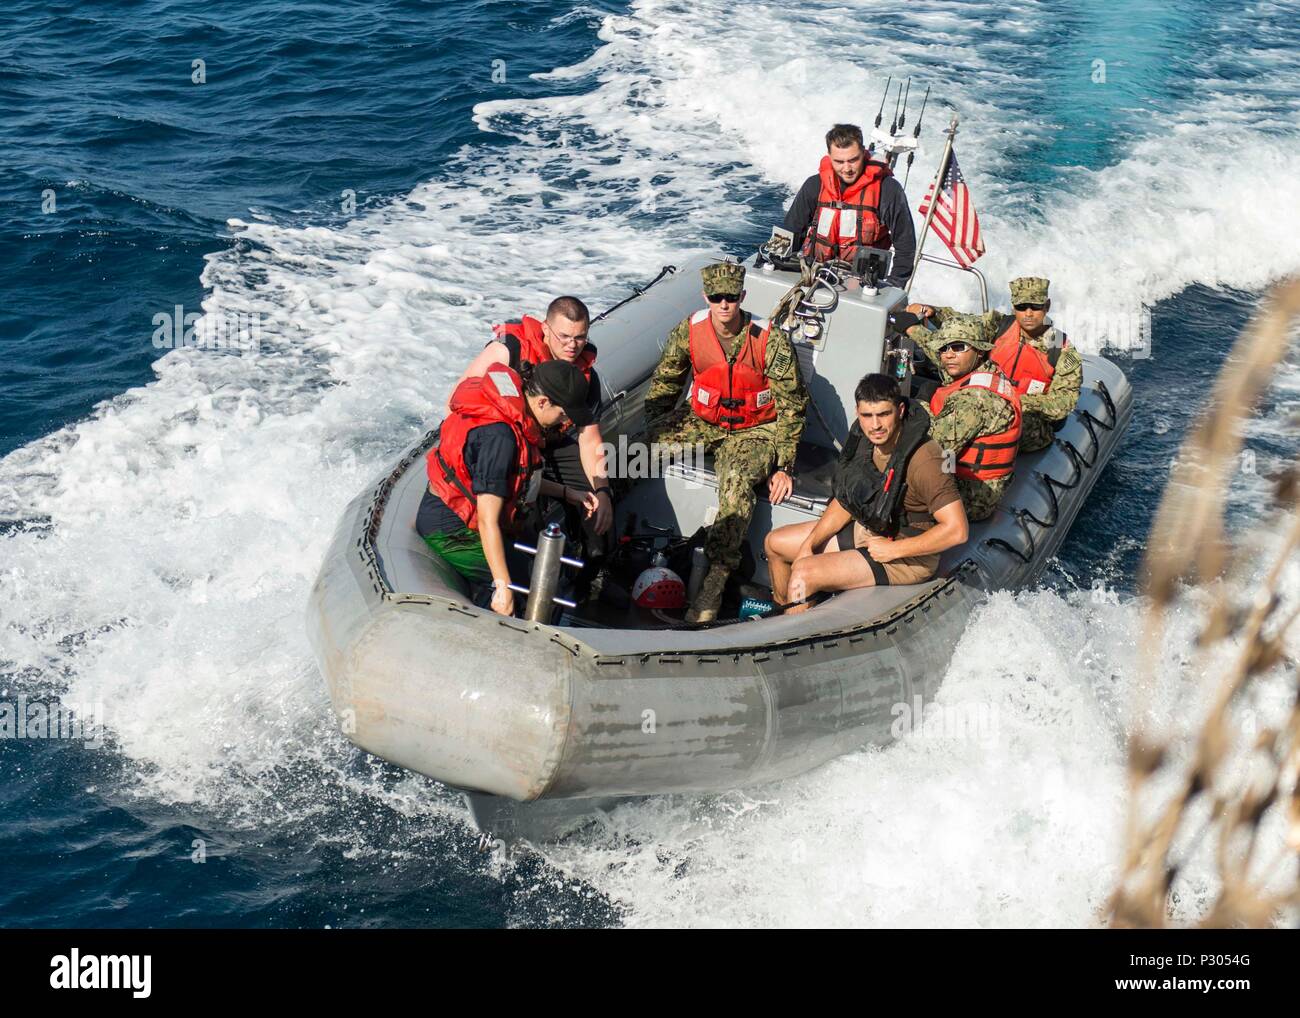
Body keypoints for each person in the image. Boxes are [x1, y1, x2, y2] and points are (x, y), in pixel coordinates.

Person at [644, 261, 808, 622]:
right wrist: (652, 428)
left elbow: (792, 405)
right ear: (706, 297)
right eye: (717, 297)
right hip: (704, 420)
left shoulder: (769, 340)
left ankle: (715, 580)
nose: (724, 305)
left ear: (742, 297)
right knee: (635, 451)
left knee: (735, 479)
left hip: (755, 430)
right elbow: (666, 383)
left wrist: (784, 466)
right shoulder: (690, 332)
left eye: (731, 297)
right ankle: (602, 547)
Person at [449, 296, 613, 590]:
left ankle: (588, 576)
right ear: (545, 329)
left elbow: (589, 438)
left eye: (579, 338)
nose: (572, 346)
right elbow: (462, 398)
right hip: (510, 440)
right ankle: (516, 581)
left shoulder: (585, 377)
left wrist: (602, 491)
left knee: (596, 514)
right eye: (564, 336)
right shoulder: (509, 351)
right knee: (524, 515)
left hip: (551, 440)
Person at [765, 374, 969, 611]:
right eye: (867, 416)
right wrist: (809, 545)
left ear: (900, 410)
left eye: (884, 414)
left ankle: (792, 640)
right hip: (871, 528)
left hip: (907, 553)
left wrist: (894, 550)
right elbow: (846, 500)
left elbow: (957, 530)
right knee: (775, 543)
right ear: (857, 412)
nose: (875, 426)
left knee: (804, 573)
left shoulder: (926, 460)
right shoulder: (865, 440)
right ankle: (780, 617)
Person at [419, 359, 594, 617]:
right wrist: (503, 585)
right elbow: (487, 520)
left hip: (475, 518)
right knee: (523, 589)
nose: (564, 421)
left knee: (541, 569)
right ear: (543, 402)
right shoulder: (500, 438)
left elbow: (516, 480)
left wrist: (569, 493)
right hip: (451, 527)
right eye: (563, 414)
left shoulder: (520, 419)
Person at [907, 276, 1081, 451]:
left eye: (1036, 307)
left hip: (1022, 416)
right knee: (933, 389)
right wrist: (934, 312)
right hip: (978, 399)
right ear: (1014, 307)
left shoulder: (1060, 349)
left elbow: (1063, 402)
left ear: (1047, 306)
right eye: (1021, 307)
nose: (1028, 313)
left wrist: (1013, 401)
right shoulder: (1001, 324)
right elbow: (967, 324)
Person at [910, 314, 1022, 521]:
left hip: (968, 497)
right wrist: (913, 329)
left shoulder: (973, 401)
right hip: (974, 479)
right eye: (943, 348)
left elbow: (931, 453)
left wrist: (921, 405)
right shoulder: (989, 371)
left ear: (979, 351)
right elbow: (950, 363)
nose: (948, 355)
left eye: (958, 347)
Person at [782, 123, 917, 287]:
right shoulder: (814, 185)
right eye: (839, 161)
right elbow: (791, 231)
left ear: (863, 152)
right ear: (829, 156)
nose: (847, 168)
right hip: (813, 274)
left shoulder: (888, 190)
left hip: (865, 284)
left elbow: (905, 244)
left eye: (853, 160)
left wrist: (894, 285)